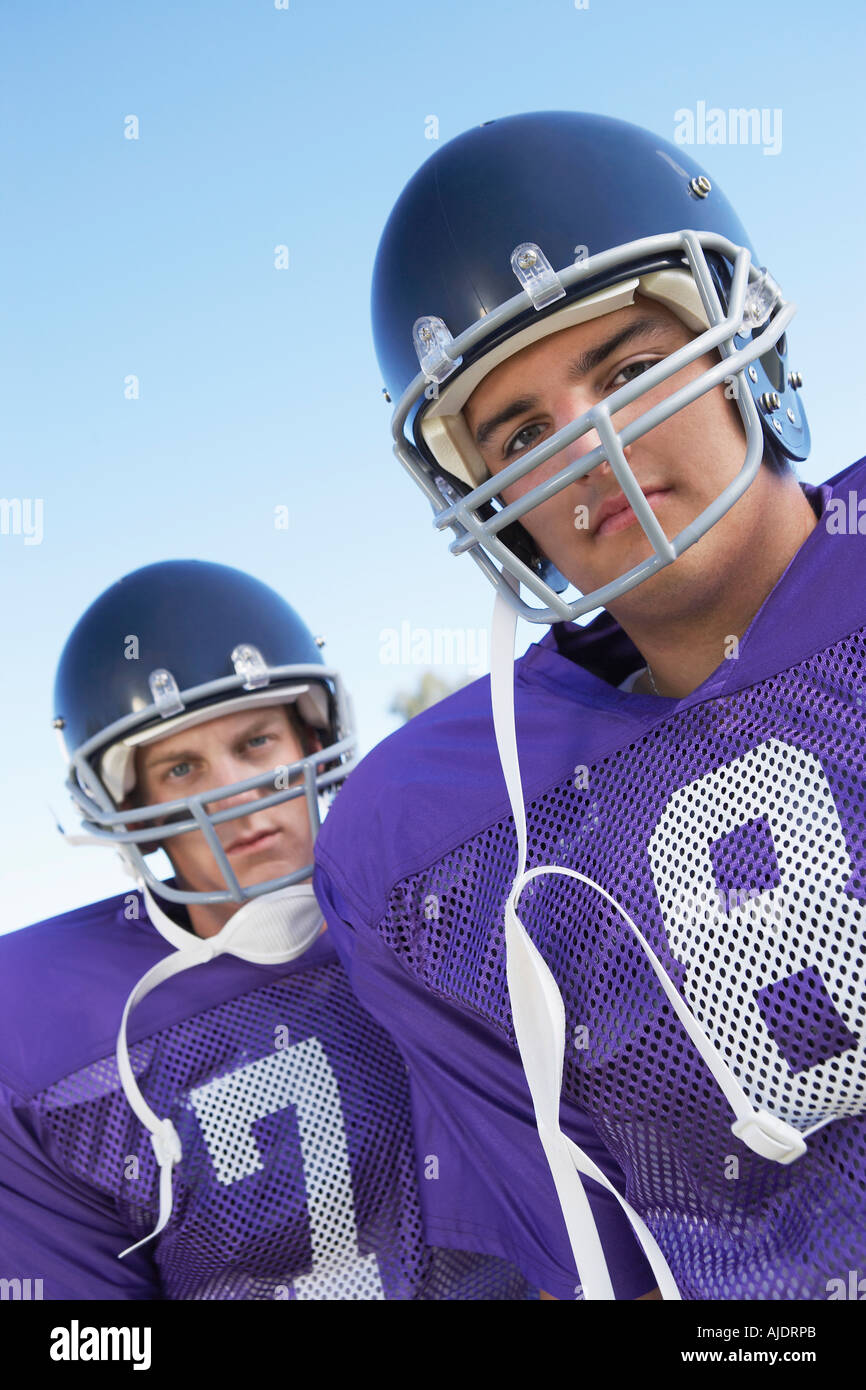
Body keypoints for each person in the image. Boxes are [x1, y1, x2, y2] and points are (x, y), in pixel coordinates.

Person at [313, 111, 866, 1300]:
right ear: (488, 499)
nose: (589, 447)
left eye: (621, 370)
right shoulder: (424, 840)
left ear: (743, 350)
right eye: (520, 431)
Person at [0, 559, 531, 1300]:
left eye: (255, 744)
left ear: (311, 741)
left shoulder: (451, 905)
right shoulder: (39, 1022)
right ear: (127, 803)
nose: (236, 795)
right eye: (182, 768)